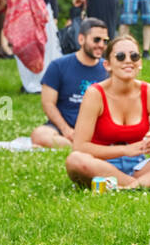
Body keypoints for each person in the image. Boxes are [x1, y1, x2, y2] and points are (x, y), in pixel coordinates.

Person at [65, 35, 150, 189]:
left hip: (139, 167)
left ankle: (129, 187)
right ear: (107, 65)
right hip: (100, 165)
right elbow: (80, 147)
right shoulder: (95, 94)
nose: (128, 60)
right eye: (120, 56)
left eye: (134, 56)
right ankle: (144, 185)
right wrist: (126, 150)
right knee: (75, 160)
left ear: (140, 63)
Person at [30, 18, 110, 149]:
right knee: (40, 135)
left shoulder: (109, 68)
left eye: (105, 41)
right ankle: (84, 146)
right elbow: (48, 103)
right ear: (81, 39)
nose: (101, 45)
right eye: (96, 40)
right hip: (64, 128)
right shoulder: (58, 66)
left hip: (97, 128)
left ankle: (83, 145)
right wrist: (66, 130)